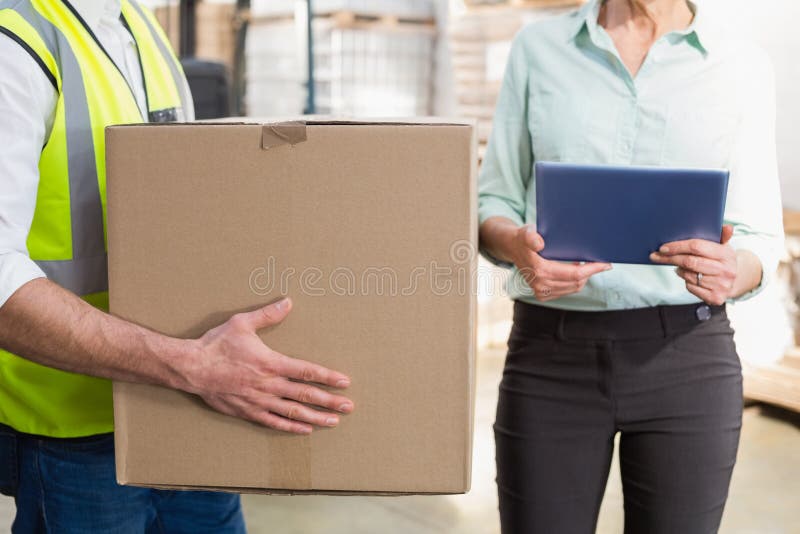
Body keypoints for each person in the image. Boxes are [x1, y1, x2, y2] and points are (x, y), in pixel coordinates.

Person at [0, 1, 354, 532]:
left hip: (188, 407)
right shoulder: (17, 40)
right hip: (74, 429)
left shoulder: (138, 25)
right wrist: (194, 365)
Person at [478, 0, 783, 532]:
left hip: (688, 359)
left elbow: (760, 235)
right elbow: (493, 203)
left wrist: (736, 270)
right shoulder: (538, 49)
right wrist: (516, 245)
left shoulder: (742, 65)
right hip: (551, 356)